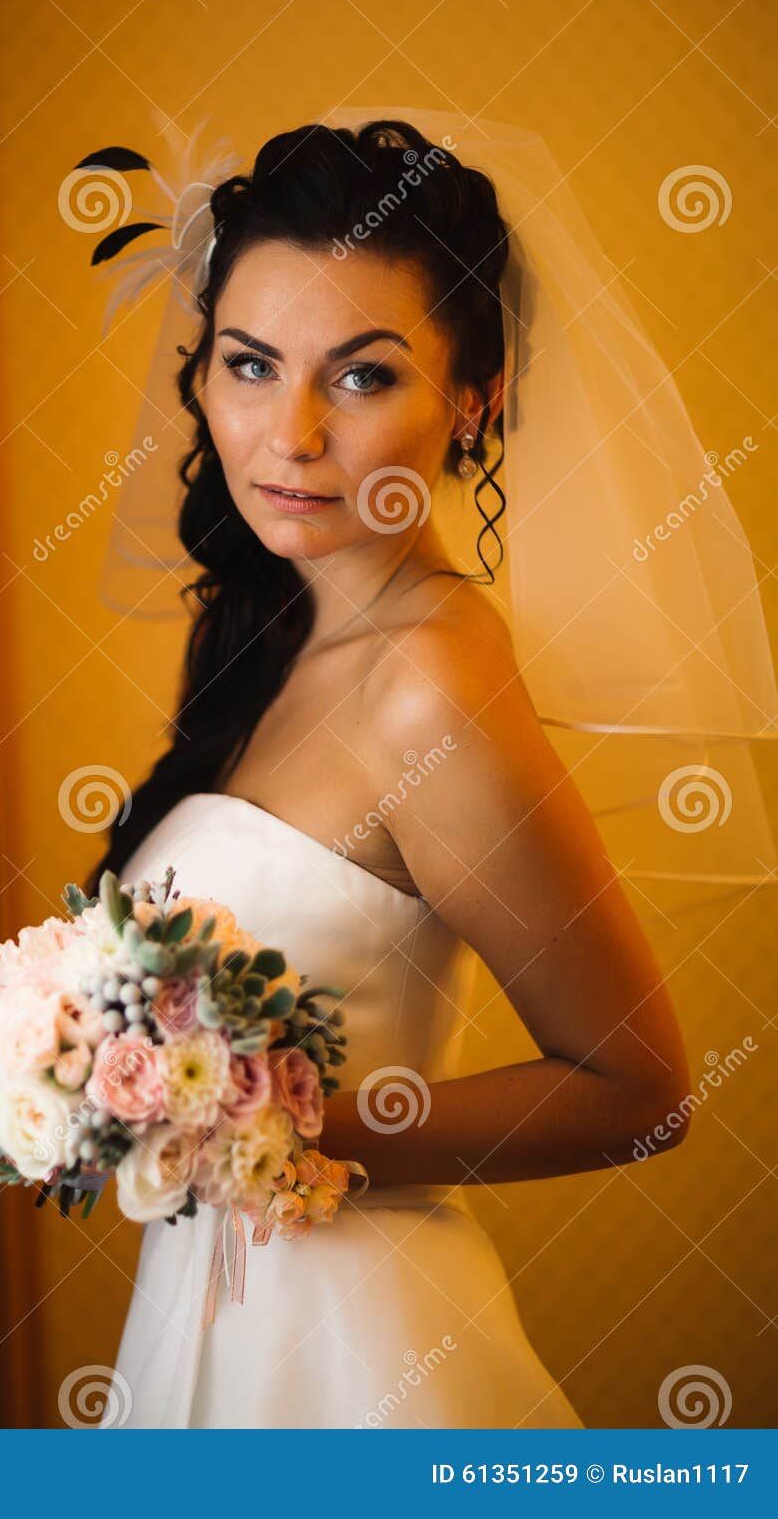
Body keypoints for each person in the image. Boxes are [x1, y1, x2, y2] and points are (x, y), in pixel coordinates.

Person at [72, 113, 770, 1428]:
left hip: (357, 1360)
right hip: (212, 1321)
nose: (289, 431)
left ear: (475, 396)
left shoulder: (432, 676)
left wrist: (287, 1126)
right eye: (250, 363)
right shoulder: (268, 632)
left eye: (360, 376)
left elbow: (637, 1087)